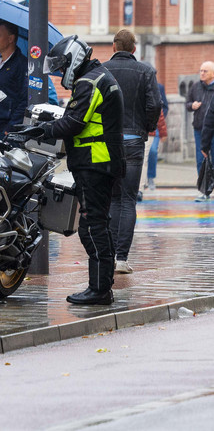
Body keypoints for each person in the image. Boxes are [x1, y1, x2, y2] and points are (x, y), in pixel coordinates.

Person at [31, 36, 125, 306]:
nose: (61, 73)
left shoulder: (89, 81)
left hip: (95, 162)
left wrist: (41, 129)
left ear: (73, 59)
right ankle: (101, 287)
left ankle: (99, 290)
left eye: (62, 67)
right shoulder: (99, 76)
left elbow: (74, 122)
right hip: (101, 162)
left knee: (92, 227)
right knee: (97, 225)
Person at [103, 29, 161, 274]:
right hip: (134, 140)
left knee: (112, 200)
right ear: (134, 49)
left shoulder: (103, 70)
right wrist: (146, 128)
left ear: (114, 46)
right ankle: (121, 257)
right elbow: (155, 104)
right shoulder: (146, 71)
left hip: (107, 142)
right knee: (128, 200)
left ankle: (108, 255)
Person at [0, 22, 28, 143]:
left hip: (7, 130)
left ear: (11, 38)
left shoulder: (21, 65)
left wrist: (11, 127)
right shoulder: (0, 63)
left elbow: (25, 98)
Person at [187, 62, 214, 178]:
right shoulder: (195, 86)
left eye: (205, 71)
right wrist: (191, 105)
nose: (202, 73)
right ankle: (204, 188)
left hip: (212, 129)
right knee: (200, 159)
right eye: (201, 71)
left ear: (213, 74)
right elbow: (187, 103)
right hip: (199, 128)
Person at [147, 81, 168, 193]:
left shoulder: (158, 88)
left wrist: (163, 132)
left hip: (154, 128)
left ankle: (150, 177)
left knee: (153, 151)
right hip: (141, 128)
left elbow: (162, 109)